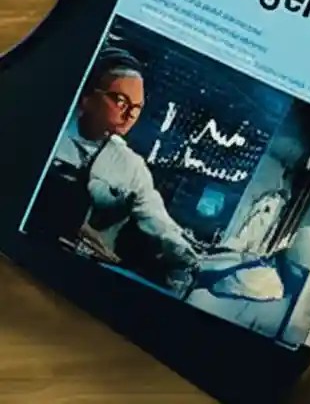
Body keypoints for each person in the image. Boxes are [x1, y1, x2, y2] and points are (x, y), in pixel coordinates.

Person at [38, 46, 196, 285]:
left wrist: (186, 255)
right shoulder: (45, 127)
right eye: (121, 102)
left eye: (137, 108)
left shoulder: (131, 167)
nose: (130, 115)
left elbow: (157, 220)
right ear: (88, 97)